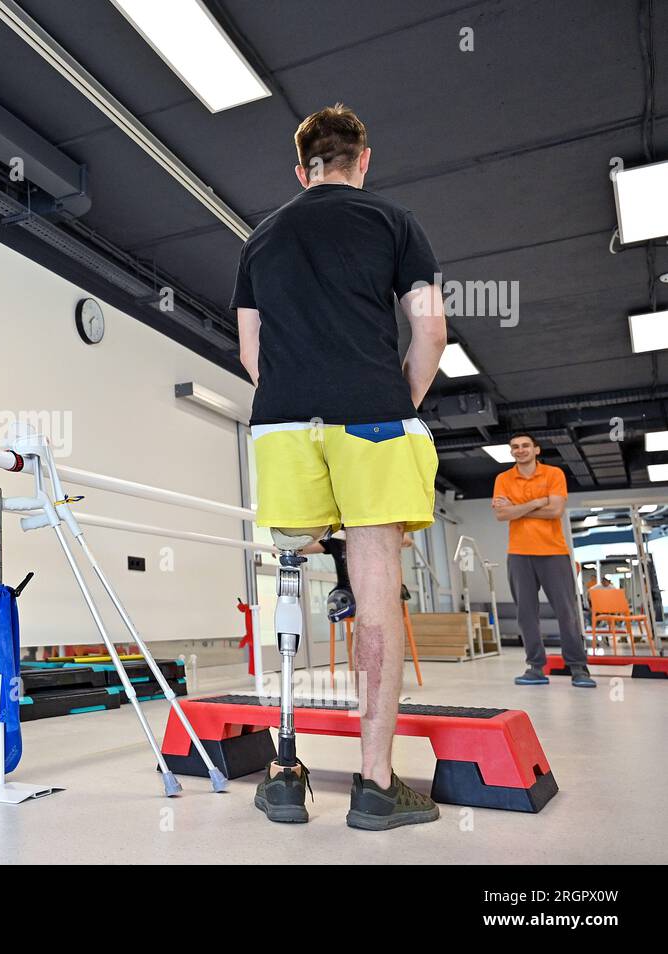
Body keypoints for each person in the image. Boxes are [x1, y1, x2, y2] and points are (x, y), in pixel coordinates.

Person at [233, 104, 447, 829]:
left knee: (291, 561)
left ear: (302, 170)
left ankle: (285, 772)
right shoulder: (395, 221)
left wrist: (296, 405)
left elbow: (250, 353)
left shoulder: (262, 235)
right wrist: (398, 397)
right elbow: (429, 328)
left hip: (286, 422)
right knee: (377, 583)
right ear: (364, 160)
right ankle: (376, 784)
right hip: (373, 417)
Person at [491, 433, 594, 687]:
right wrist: (538, 502)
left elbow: (556, 511)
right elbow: (502, 515)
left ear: (536, 450)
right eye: (515, 447)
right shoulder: (503, 479)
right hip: (518, 553)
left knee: (566, 612)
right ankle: (535, 667)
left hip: (554, 552)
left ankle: (578, 668)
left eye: (525, 445)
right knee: (526, 614)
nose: (520, 450)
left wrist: (518, 507)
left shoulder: (553, 474)